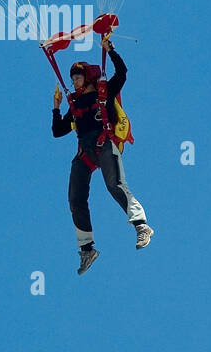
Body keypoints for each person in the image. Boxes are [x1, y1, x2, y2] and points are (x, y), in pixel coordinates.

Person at [52, 32, 153, 273]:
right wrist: (56, 108)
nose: (75, 81)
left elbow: (122, 73)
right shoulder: (74, 105)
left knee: (114, 185)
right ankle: (87, 250)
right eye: (73, 78)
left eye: (78, 77)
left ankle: (142, 226)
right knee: (75, 198)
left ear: (86, 77)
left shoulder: (103, 93)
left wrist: (110, 50)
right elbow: (58, 131)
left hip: (104, 143)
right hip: (85, 154)